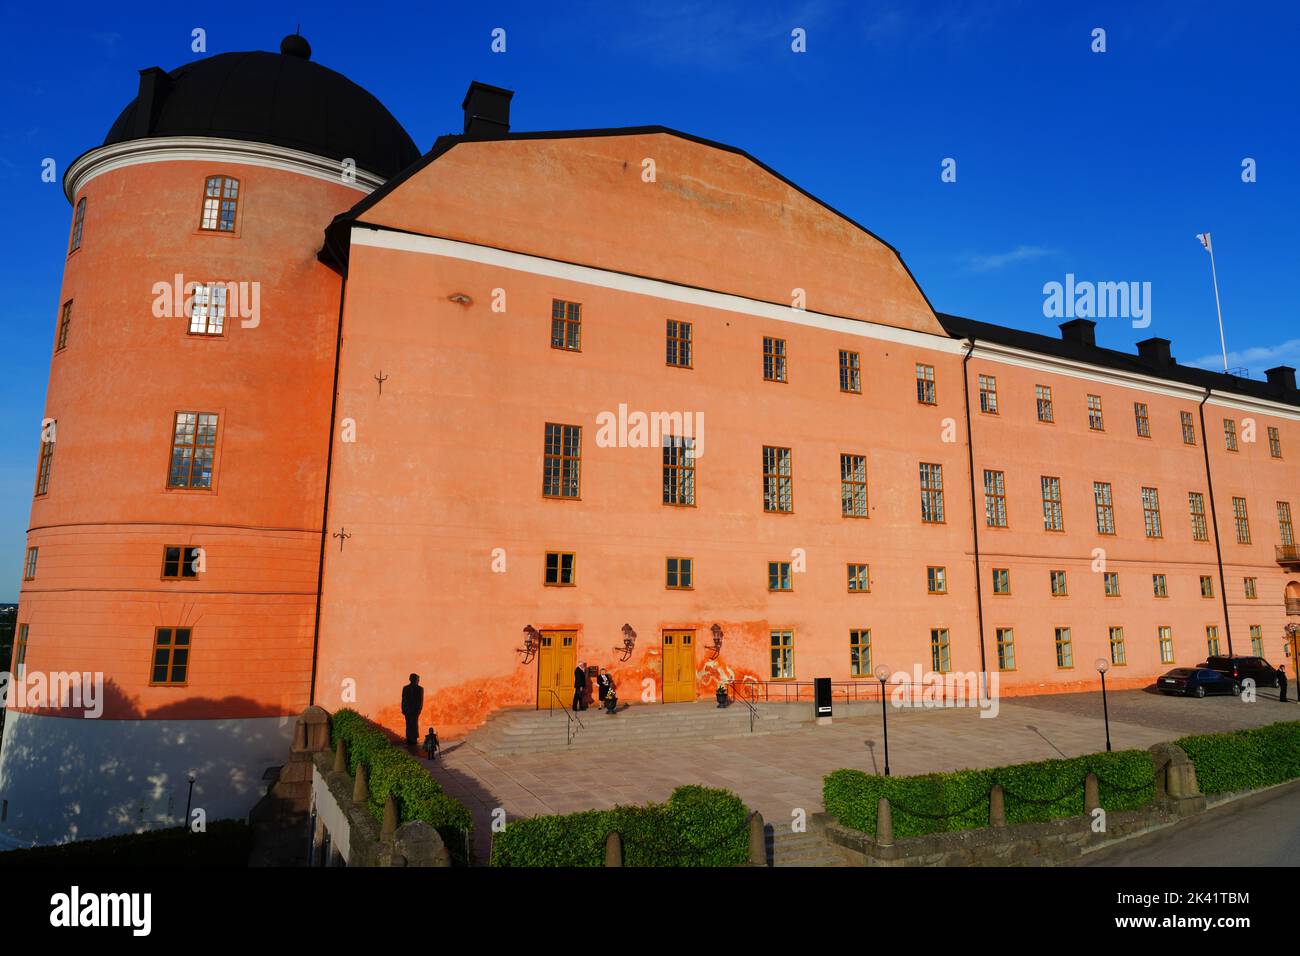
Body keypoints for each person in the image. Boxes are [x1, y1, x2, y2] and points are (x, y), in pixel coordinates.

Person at [401, 674, 424, 749]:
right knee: (408, 725)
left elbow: (420, 700)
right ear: (411, 679)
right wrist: (403, 709)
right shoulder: (406, 688)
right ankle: (409, 739)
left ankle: (413, 739)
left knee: (414, 724)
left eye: (418, 679)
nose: (418, 681)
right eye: (417, 679)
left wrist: (419, 710)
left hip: (415, 710)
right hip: (407, 710)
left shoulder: (420, 689)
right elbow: (403, 699)